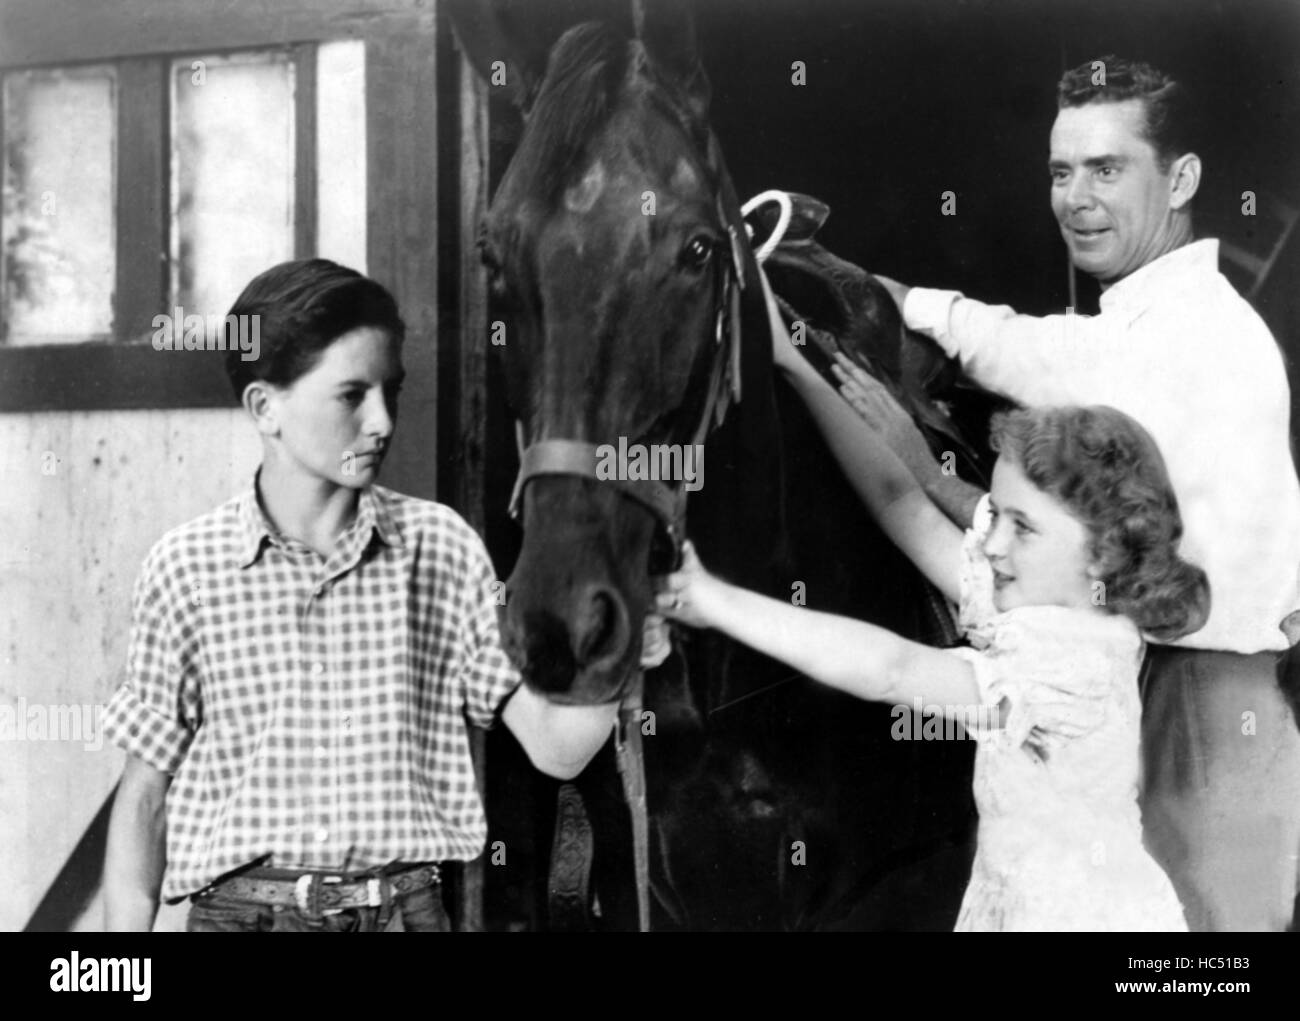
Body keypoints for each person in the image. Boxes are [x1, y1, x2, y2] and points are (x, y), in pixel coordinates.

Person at [805, 55, 1300, 932]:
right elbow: (1019, 343)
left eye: (1108, 169)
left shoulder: (1186, 342)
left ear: (1181, 178)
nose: (1076, 196)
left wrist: (922, 472)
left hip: (1209, 723)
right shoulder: (1155, 321)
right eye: (1061, 171)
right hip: (1186, 699)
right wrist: (868, 288)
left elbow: (1080, 538)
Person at [101, 259, 617, 932]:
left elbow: (557, 747)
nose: (381, 421)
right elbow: (145, 799)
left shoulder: (441, 548)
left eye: (390, 391)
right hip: (244, 919)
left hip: (406, 915)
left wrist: (621, 638)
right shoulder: (185, 569)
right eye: (350, 395)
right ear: (266, 406)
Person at [659, 401, 1204, 931]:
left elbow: (889, 670)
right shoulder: (1062, 601)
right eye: (996, 514)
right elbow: (904, 507)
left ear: (1102, 556)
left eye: (1023, 526)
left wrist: (716, 602)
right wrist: (796, 363)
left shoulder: (1072, 664)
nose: (991, 543)